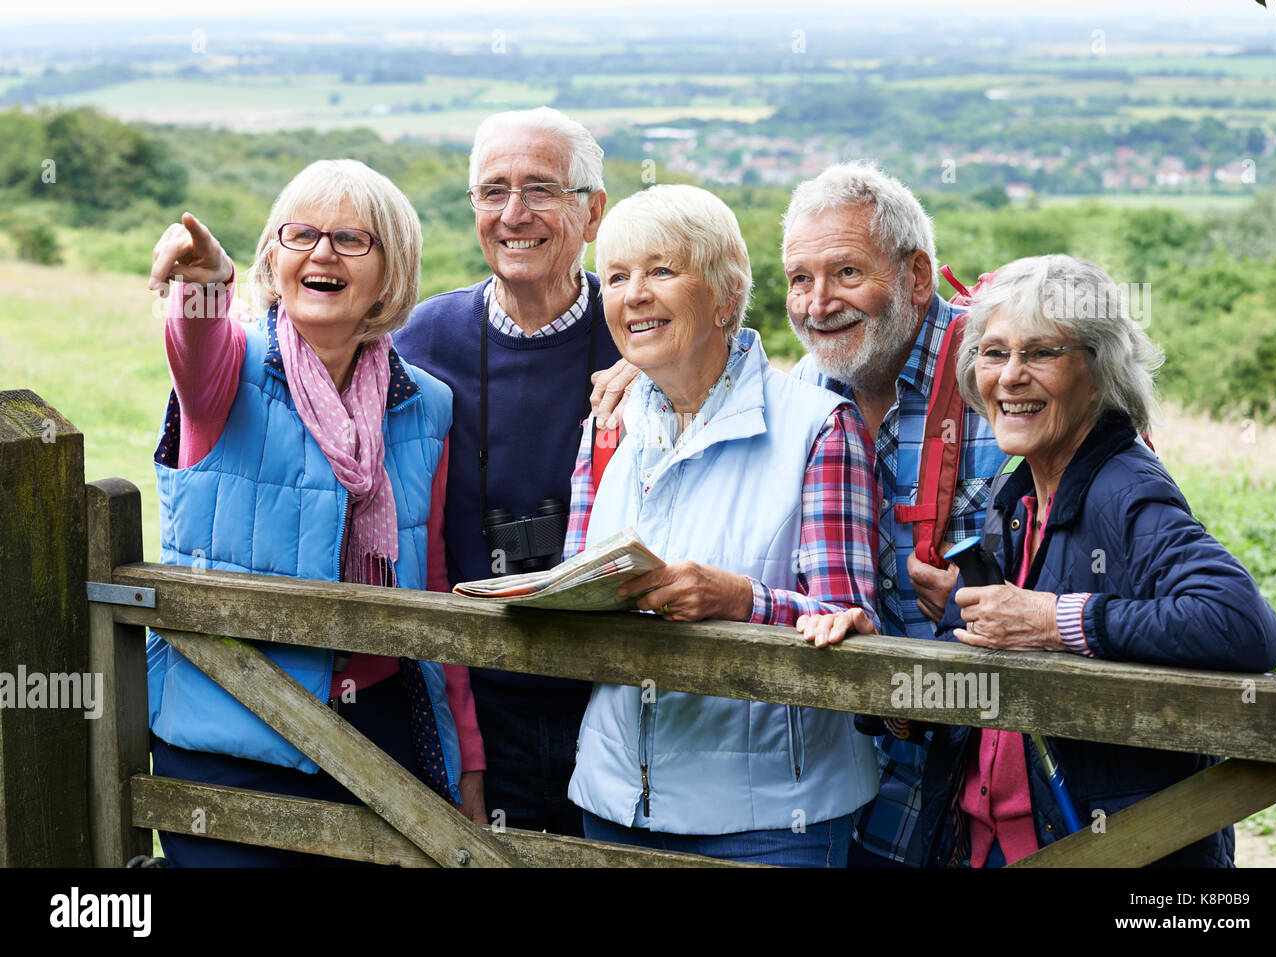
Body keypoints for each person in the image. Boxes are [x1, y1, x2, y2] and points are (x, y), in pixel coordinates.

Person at [799, 254, 1276, 867]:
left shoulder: (1125, 486)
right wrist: (902, 703)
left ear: (1101, 370)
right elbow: (1002, 668)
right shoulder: (1020, 496)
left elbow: (1244, 624)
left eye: (1042, 353)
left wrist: (1056, 621)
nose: (1009, 377)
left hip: (1109, 850)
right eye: (994, 353)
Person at [592, 161, 1006, 865]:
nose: (818, 303)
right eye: (799, 280)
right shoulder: (812, 384)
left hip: (1008, 746)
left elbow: (1104, 525)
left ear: (916, 277)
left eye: (847, 273)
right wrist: (661, 357)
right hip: (873, 753)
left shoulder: (1004, 378)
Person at [145, 159, 484, 866]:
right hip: (230, 732)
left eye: (351, 239)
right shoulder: (229, 371)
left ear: (391, 274)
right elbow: (194, 338)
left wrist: (466, 756)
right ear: (274, 255)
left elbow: (434, 583)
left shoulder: (427, 403)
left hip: (380, 729)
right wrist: (204, 284)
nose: (322, 252)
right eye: (300, 234)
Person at [565, 183, 879, 867]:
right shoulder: (606, 425)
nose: (634, 294)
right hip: (614, 800)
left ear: (726, 297)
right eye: (616, 276)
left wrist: (741, 600)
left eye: (661, 270)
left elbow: (849, 623)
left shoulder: (818, 428)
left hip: (772, 821)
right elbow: (577, 583)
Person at [393, 108, 620, 837]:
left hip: (622, 692)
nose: (513, 214)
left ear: (592, 211)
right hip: (479, 696)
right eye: (493, 192)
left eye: (539, 190)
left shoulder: (639, 328)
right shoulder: (426, 336)